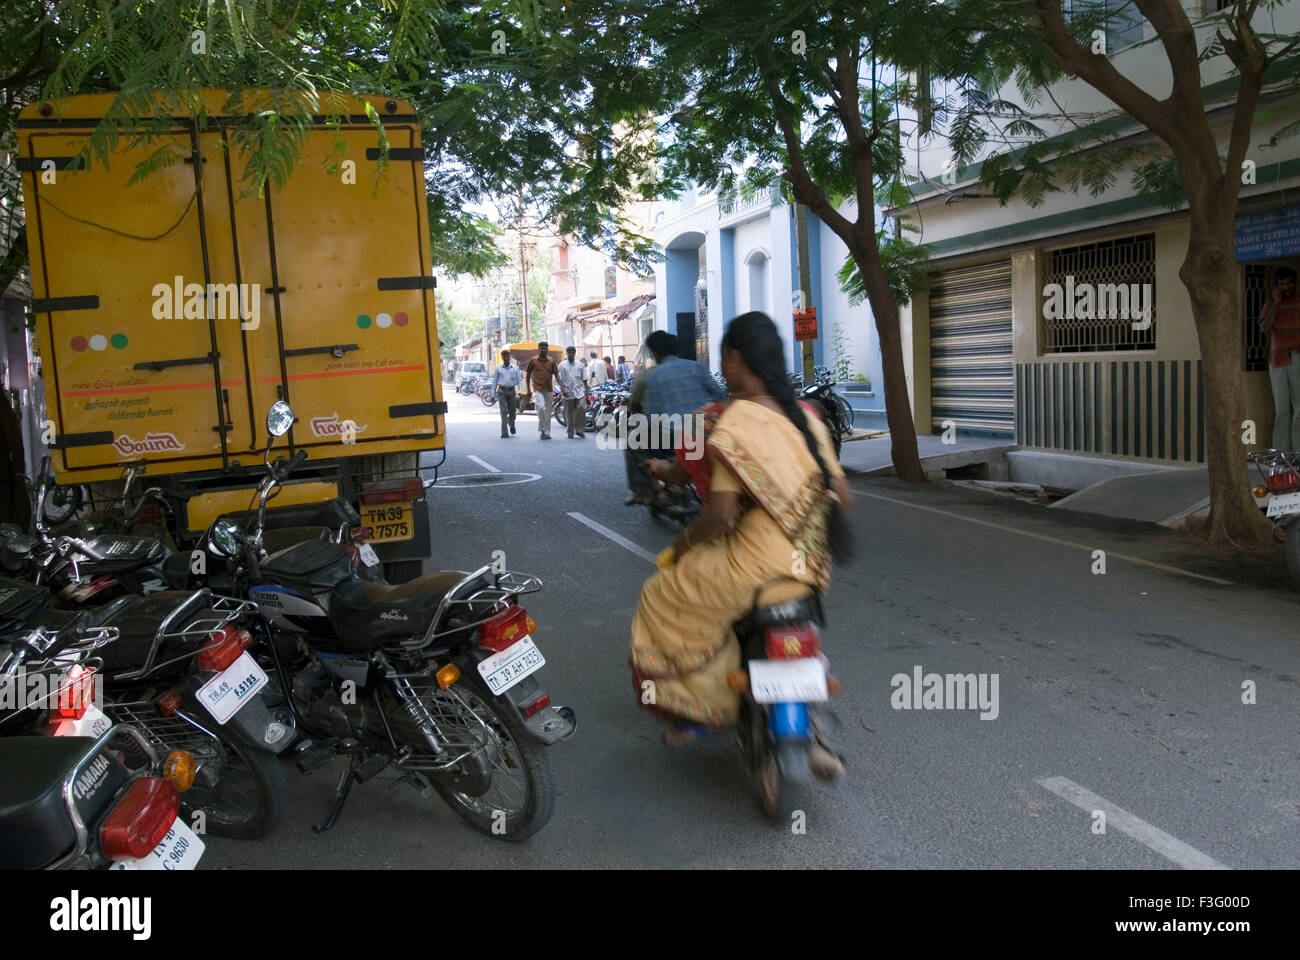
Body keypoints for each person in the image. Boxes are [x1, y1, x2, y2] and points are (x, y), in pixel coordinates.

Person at [628, 311, 854, 778]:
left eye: (725, 356)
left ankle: (704, 711)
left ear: (733, 358)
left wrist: (686, 542)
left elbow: (720, 515)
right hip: (811, 568)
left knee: (660, 596)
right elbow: (842, 497)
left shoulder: (733, 424)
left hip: (754, 568)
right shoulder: (807, 419)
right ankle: (807, 725)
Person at [1261, 266, 1300, 452]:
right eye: (1281, 284)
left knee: (1299, 407)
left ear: (1295, 283)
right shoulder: (1271, 303)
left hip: (1297, 358)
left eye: (1288, 283)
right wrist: (1276, 304)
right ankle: (1282, 455)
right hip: (1277, 361)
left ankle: (1298, 454)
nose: (1285, 287)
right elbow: (1264, 328)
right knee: (1282, 410)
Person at [525, 342, 559, 440]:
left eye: (545, 348)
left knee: (548, 412)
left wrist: (562, 387)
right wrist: (528, 389)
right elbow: (528, 375)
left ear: (547, 349)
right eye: (542, 348)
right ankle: (543, 430)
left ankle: (546, 432)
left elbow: (556, 374)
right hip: (537, 389)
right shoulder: (533, 360)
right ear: (538, 349)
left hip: (548, 390)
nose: (544, 350)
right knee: (541, 408)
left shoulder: (551, 361)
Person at [558, 346, 589, 439]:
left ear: (575, 353)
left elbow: (584, 378)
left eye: (572, 351)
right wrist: (563, 389)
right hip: (567, 391)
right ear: (566, 353)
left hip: (580, 391)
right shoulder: (562, 365)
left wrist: (586, 389)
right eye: (569, 352)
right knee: (569, 413)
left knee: (582, 408)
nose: (571, 353)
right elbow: (559, 379)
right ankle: (570, 432)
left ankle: (579, 430)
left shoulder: (580, 365)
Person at [491, 348, 521, 438]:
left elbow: (519, 380)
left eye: (507, 356)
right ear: (502, 357)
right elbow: (495, 381)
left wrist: (520, 391)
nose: (506, 358)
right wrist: (492, 393)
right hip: (502, 391)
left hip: (511, 391)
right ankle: (504, 432)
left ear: (510, 357)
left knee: (512, 412)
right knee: (503, 411)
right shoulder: (498, 368)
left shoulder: (515, 368)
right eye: (504, 356)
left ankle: (511, 424)